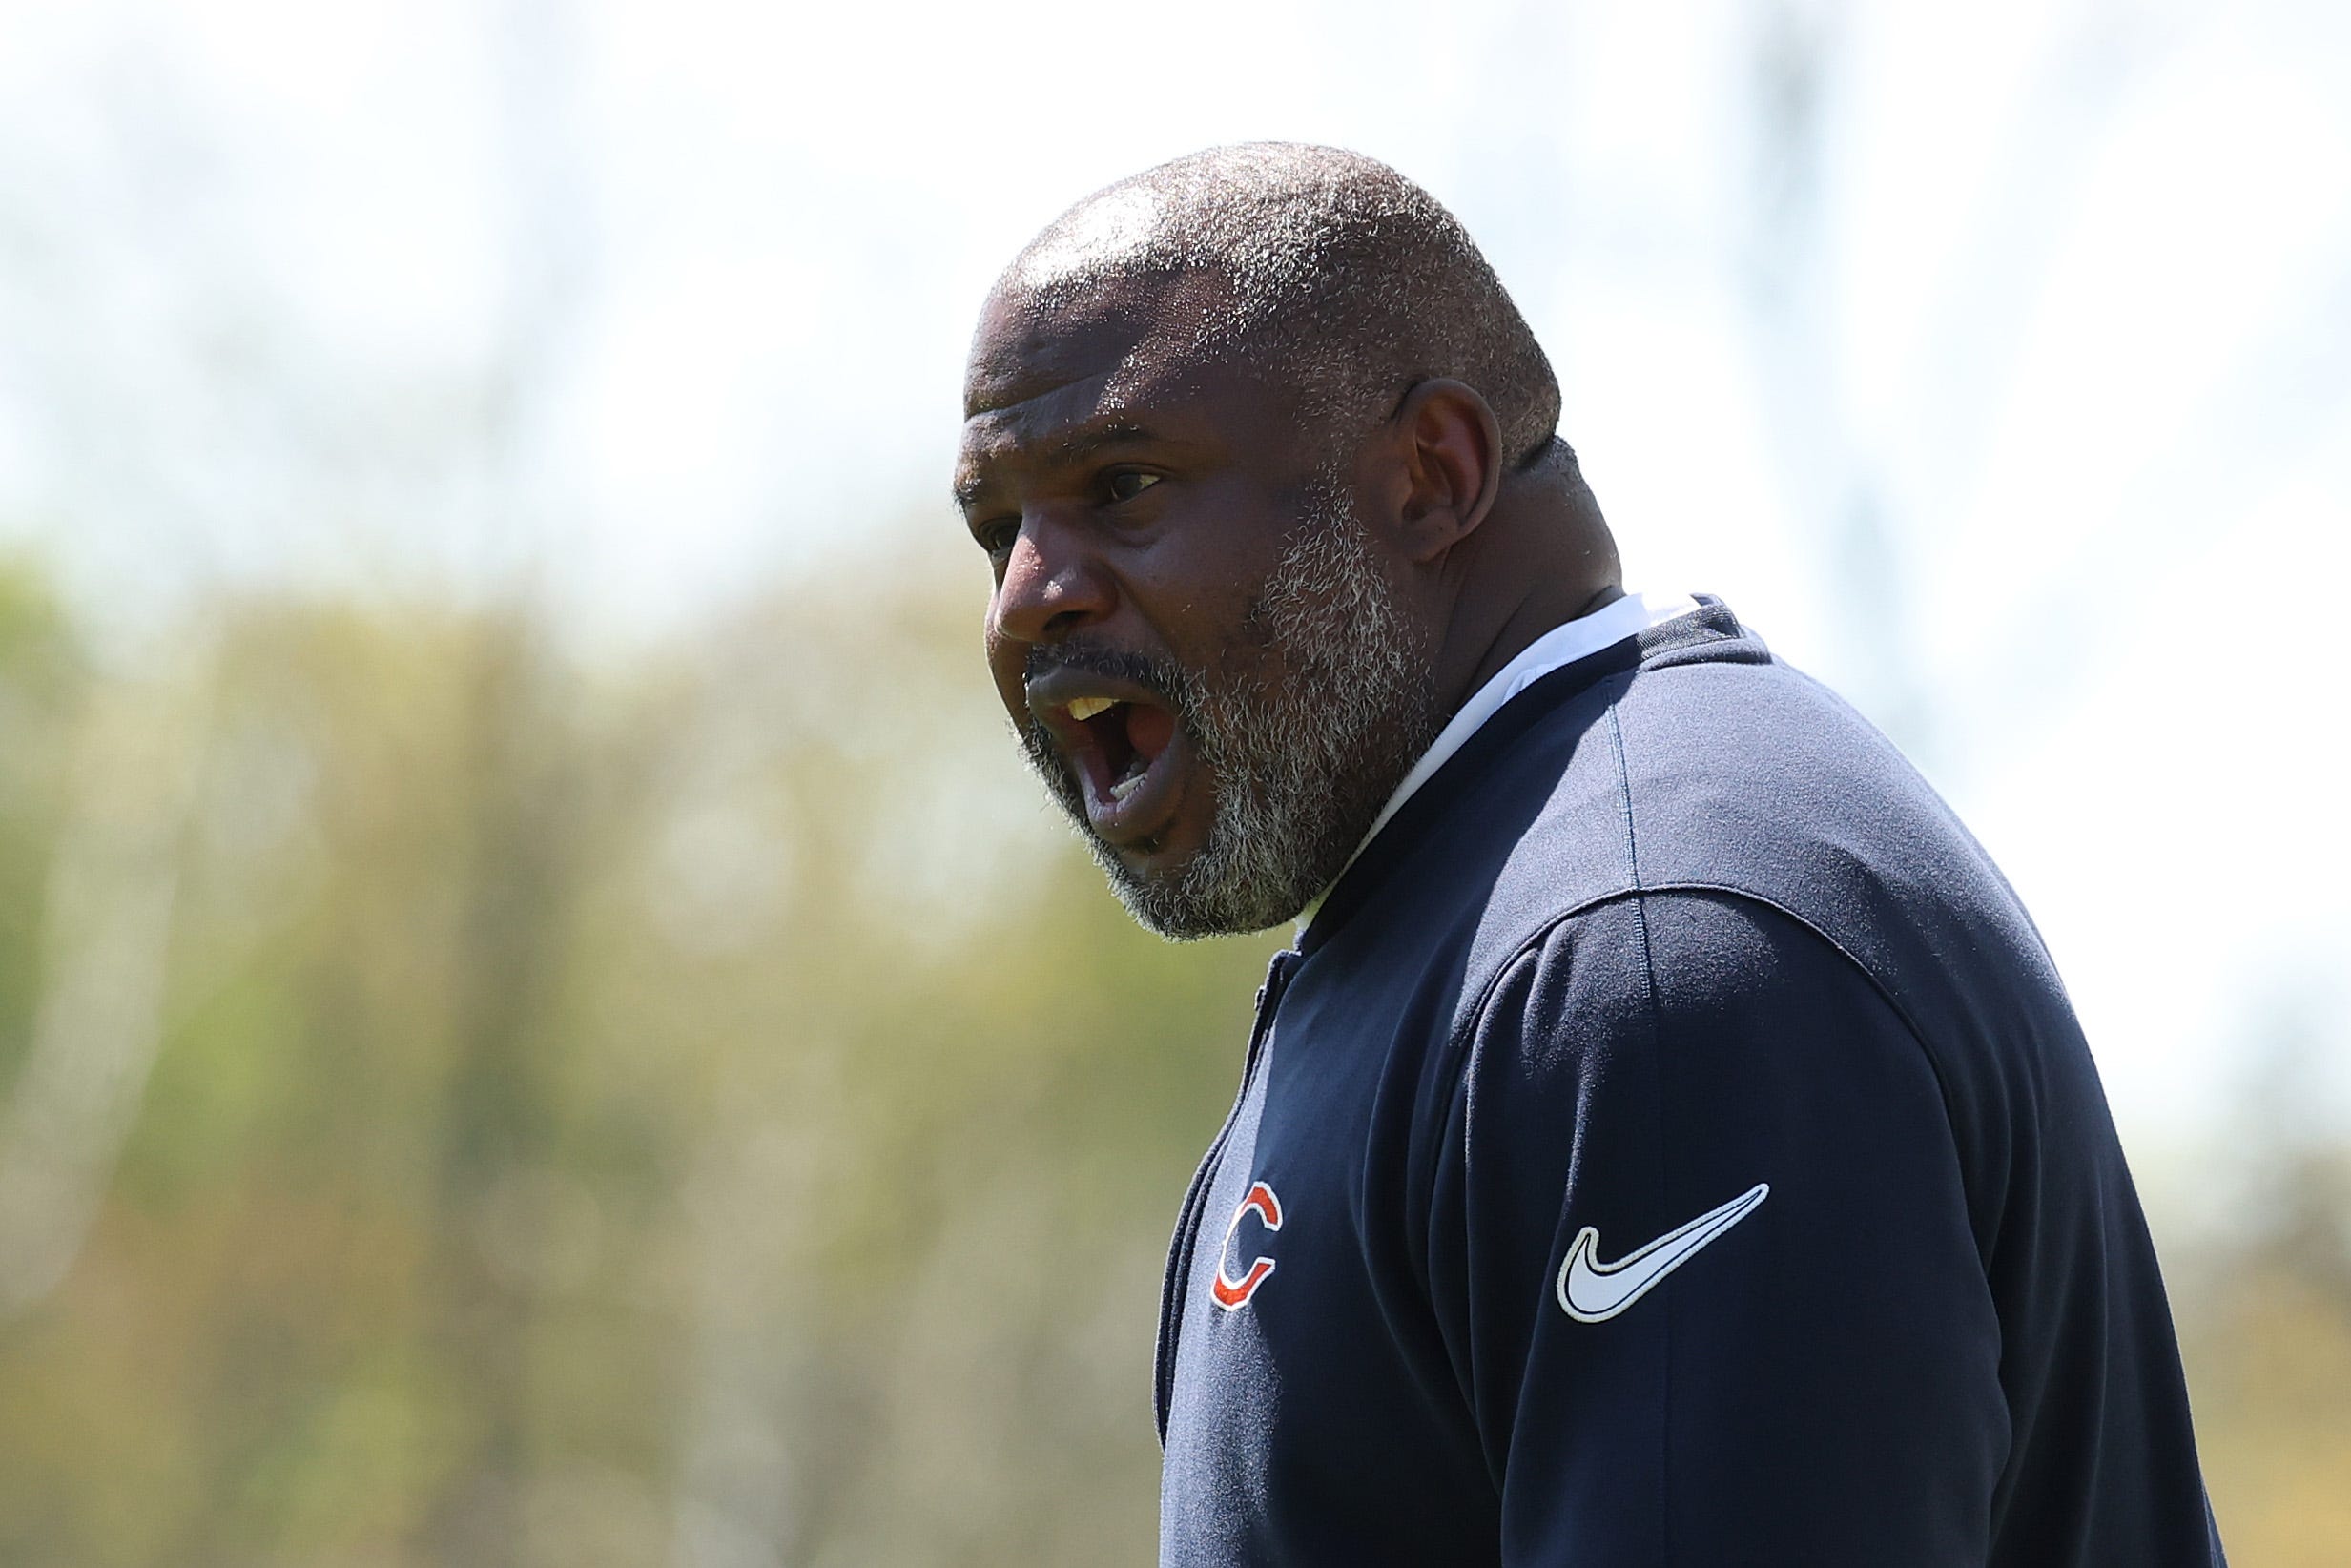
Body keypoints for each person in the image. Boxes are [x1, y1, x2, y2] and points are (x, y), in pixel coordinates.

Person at [952, 142, 2224, 1566]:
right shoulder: (1483, 917)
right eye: (999, 531)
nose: (1025, 602)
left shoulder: (1648, 955)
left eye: (1123, 486)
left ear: (1431, 474)